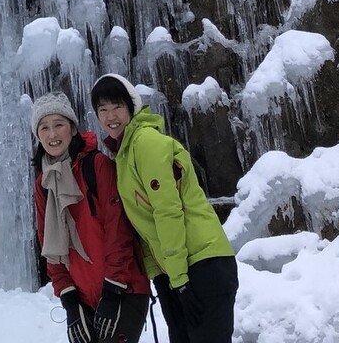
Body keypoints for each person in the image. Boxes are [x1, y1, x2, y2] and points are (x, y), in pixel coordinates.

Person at [90, 74, 238, 343]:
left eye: (117, 107)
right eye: (103, 109)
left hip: (202, 264)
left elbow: (167, 211)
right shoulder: (124, 154)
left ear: (131, 107)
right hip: (179, 269)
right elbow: (144, 227)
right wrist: (160, 276)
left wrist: (179, 279)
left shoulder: (146, 143)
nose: (111, 116)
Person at [31, 92, 150, 343]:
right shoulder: (44, 183)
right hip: (82, 297)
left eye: (59, 125)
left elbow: (119, 230)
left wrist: (113, 288)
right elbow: (48, 246)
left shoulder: (96, 166)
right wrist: (70, 300)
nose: (52, 134)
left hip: (123, 289)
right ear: (37, 135)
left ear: (73, 129)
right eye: (44, 128)